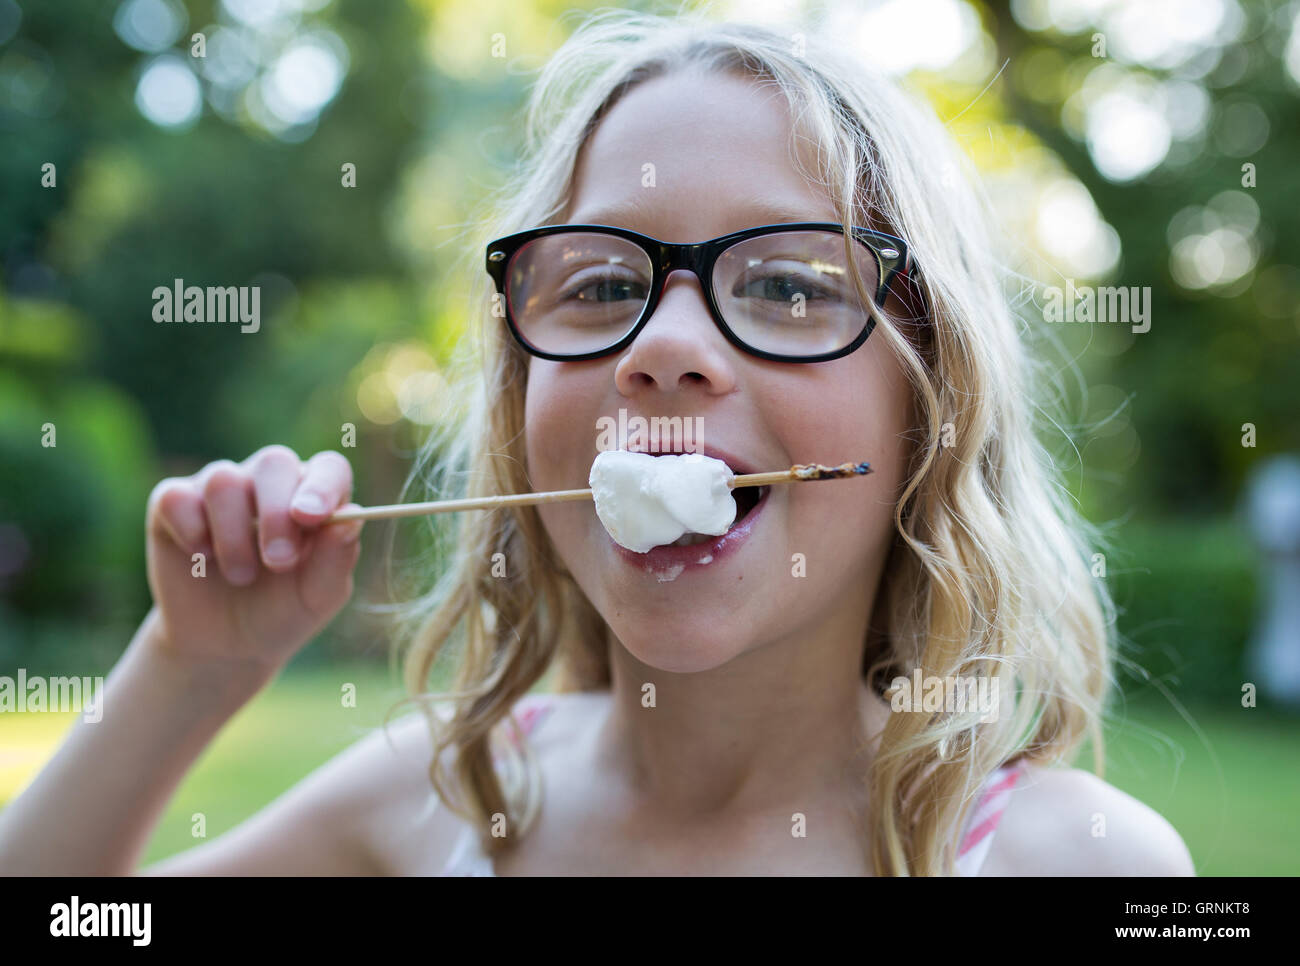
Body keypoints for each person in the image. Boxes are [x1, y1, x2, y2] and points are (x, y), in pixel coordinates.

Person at [0, 10, 1195, 876]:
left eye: (784, 286)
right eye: (600, 282)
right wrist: (190, 669)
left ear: (928, 400)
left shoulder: (1076, 864)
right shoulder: (442, 806)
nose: (664, 345)